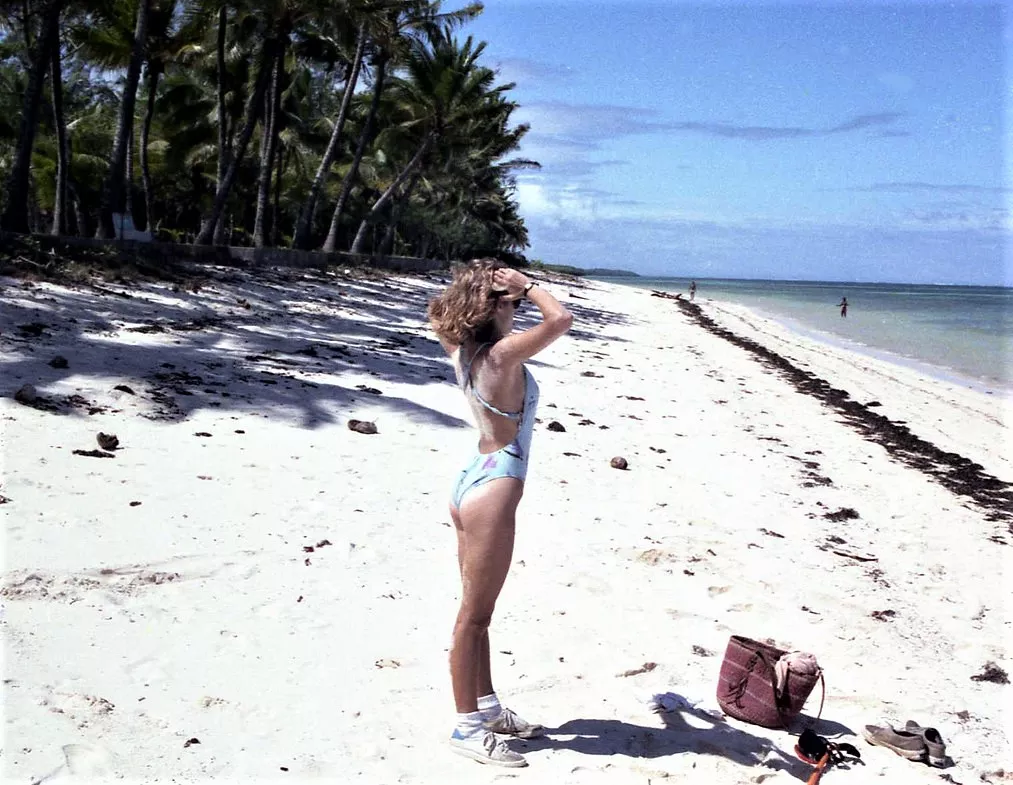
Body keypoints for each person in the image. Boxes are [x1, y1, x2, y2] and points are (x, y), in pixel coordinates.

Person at [427, 259, 573, 767]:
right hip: (495, 484)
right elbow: (560, 320)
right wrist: (528, 286)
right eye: (509, 305)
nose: (515, 311)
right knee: (473, 616)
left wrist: (474, 285)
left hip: (471, 477)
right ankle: (467, 727)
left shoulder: (462, 350)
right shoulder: (501, 355)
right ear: (492, 309)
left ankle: (486, 707)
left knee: (478, 611)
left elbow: (435, 313)